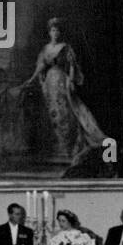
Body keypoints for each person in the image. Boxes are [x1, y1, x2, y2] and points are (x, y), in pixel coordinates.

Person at [17, 17, 108, 170]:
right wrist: (31, 80)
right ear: (49, 32)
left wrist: (71, 81)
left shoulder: (65, 47)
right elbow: (40, 67)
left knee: (65, 113)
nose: (55, 33)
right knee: (50, 114)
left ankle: (68, 149)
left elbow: (72, 65)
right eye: (53, 30)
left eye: (57, 30)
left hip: (61, 82)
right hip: (48, 85)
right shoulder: (45, 49)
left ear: (60, 32)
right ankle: (51, 150)